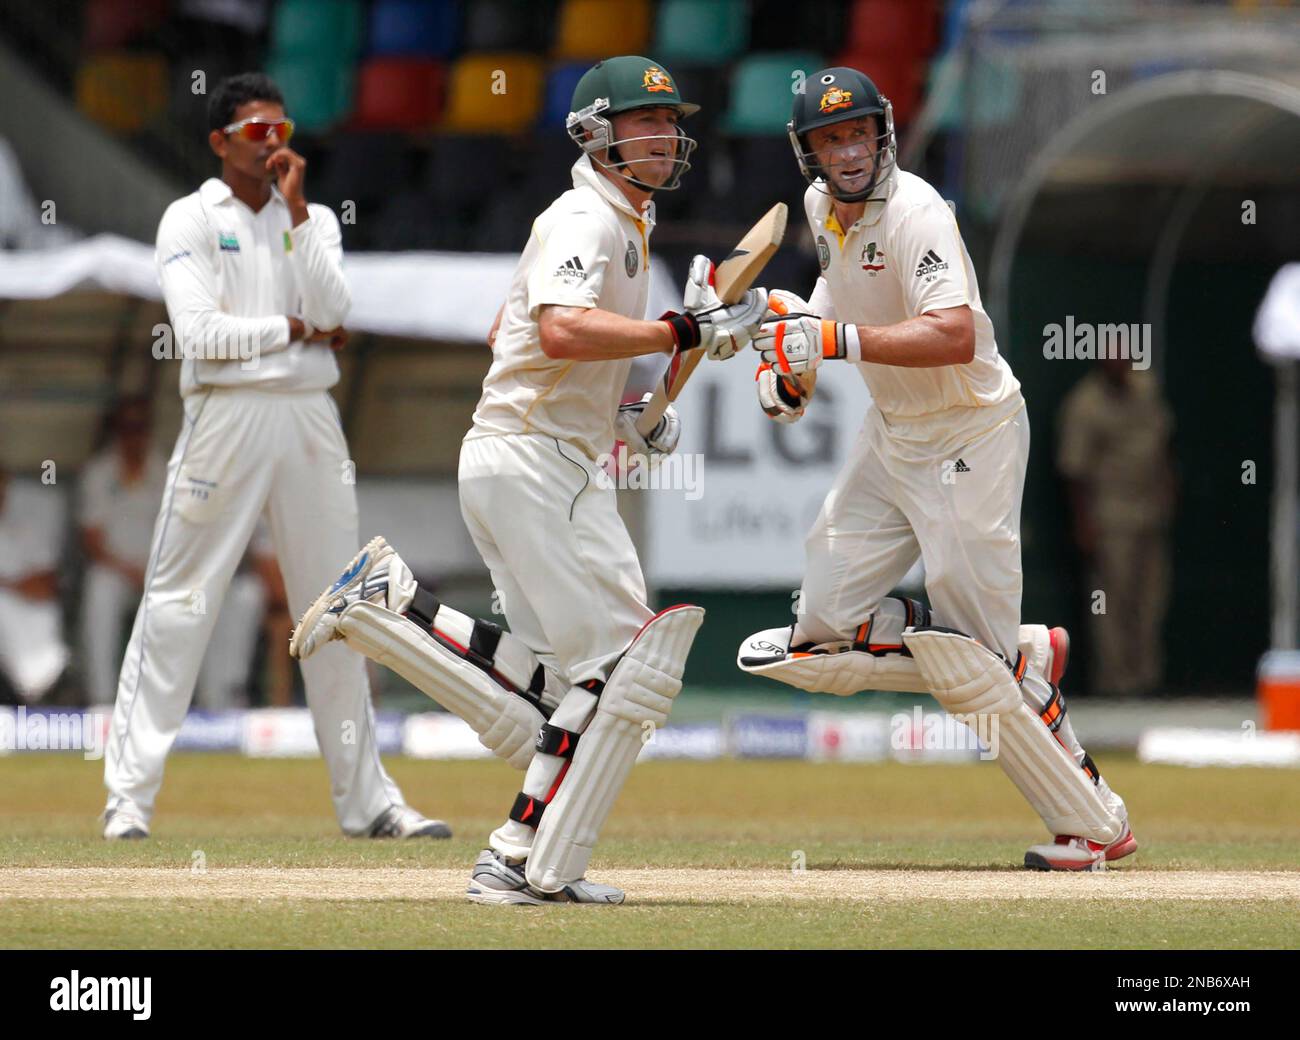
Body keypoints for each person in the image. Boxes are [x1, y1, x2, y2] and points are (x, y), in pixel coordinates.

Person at [292, 56, 766, 903]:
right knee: (626, 673)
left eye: (672, 120)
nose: (665, 134)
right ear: (594, 133)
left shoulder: (618, 222)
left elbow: (504, 332)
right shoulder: (587, 216)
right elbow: (555, 330)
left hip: (536, 459)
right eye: (645, 119)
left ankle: (397, 610)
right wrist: (678, 327)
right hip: (534, 464)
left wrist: (641, 408)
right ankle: (513, 855)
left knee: (558, 697)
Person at [737, 68, 1136, 871]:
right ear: (807, 150)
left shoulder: (919, 211)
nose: (848, 152)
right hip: (893, 435)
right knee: (815, 633)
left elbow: (953, 332)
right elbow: (836, 286)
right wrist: (795, 349)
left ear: (882, 133)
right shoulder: (822, 209)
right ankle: (1014, 653)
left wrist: (833, 342)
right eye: (830, 138)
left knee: (979, 679)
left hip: (969, 435)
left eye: (858, 134)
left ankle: (1096, 824)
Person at [101, 72, 447, 842]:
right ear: (222, 143)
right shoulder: (188, 219)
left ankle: (367, 803)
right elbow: (199, 336)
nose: (275, 144)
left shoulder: (313, 218)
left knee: (339, 608)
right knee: (180, 604)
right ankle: (129, 798)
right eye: (258, 133)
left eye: (282, 129)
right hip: (225, 417)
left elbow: (334, 311)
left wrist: (295, 219)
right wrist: (288, 330)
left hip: (309, 420)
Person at [1058, 356, 1175, 696]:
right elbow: (1073, 472)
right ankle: (1117, 684)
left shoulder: (1145, 387)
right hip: (1110, 518)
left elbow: (1164, 444)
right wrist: (1084, 523)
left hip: (1150, 512)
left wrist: (1169, 492)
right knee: (1111, 602)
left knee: (1150, 599)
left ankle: (1147, 679)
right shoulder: (1085, 405)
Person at [79, 396, 168, 706]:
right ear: (117, 431)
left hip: (160, 570)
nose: (134, 436)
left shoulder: (168, 469)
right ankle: (102, 698)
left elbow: (184, 533)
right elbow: (91, 539)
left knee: (197, 596)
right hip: (115, 570)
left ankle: (173, 700)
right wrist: (129, 571)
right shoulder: (99, 472)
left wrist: (154, 570)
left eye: (140, 427)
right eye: (128, 428)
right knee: (99, 589)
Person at [0, 468, 69, 702]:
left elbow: (45, 586)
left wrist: (7, 585)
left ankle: (50, 689)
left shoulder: (29, 518)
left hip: (31, 630)